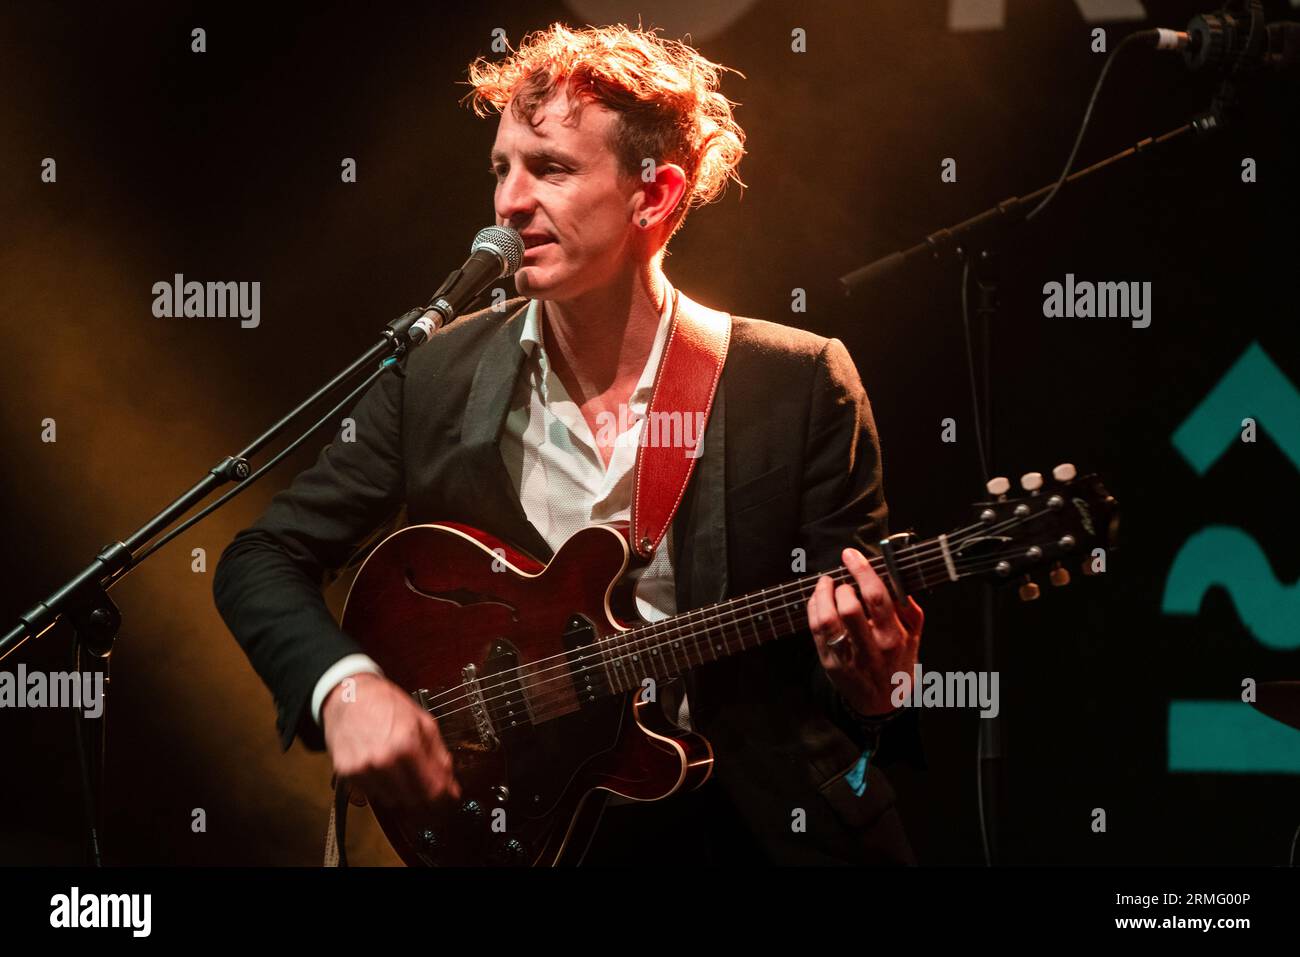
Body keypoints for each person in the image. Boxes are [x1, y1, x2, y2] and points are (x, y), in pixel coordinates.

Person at [213, 22, 924, 866]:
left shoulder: (797, 383)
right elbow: (261, 556)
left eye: (549, 168)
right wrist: (345, 688)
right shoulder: (436, 371)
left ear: (653, 196)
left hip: (750, 834)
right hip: (532, 837)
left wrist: (877, 686)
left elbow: (858, 671)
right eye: (502, 169)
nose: (510, 202)